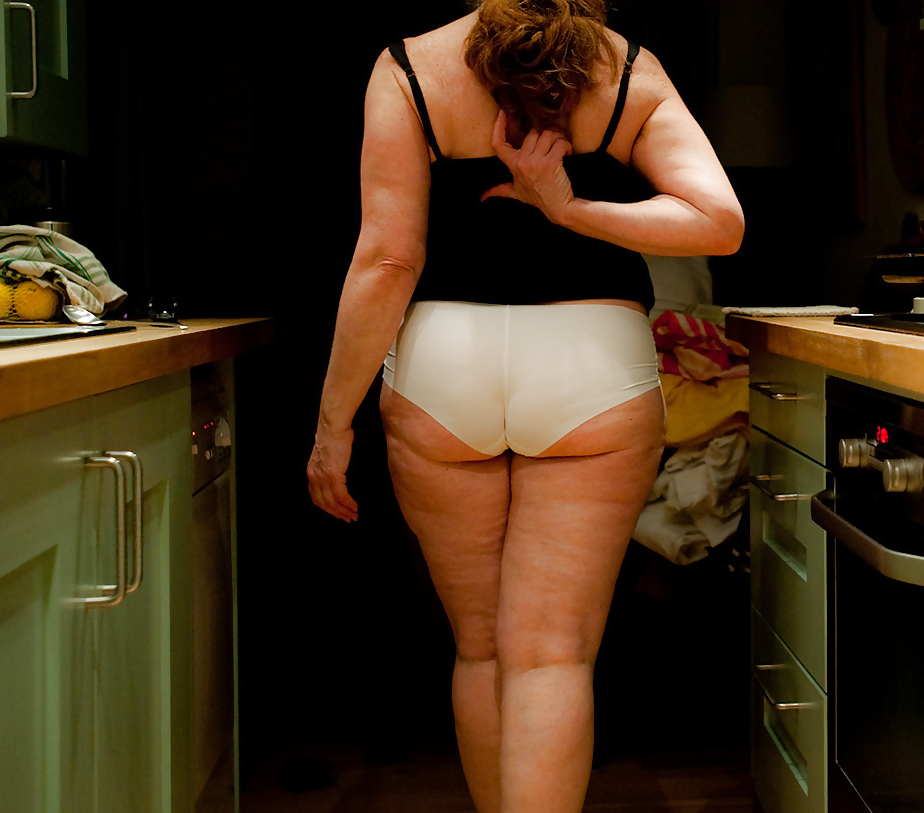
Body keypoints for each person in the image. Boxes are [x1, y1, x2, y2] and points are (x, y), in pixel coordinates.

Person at [307, 1, 743, 810]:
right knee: (552, 655)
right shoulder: (626, 67)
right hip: (593, 370)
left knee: (481, 650)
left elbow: (388, 258)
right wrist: (567, 208)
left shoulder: (408, 68)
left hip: (443, 371)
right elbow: (718, 222)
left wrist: (334, 423)